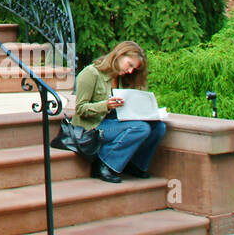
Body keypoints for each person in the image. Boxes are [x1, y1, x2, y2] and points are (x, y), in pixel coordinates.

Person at [71, 40, 166, 183]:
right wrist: (106, 105)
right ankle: (104, 163)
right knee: (141, 128)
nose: (130, 71)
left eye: (134, 68)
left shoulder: (123, 78)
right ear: (119, 55)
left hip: (115, 122)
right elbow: (80, 109)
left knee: (159, 127)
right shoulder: (91, 73)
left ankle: (134, 164)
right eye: (130, 65)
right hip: (92, 127)